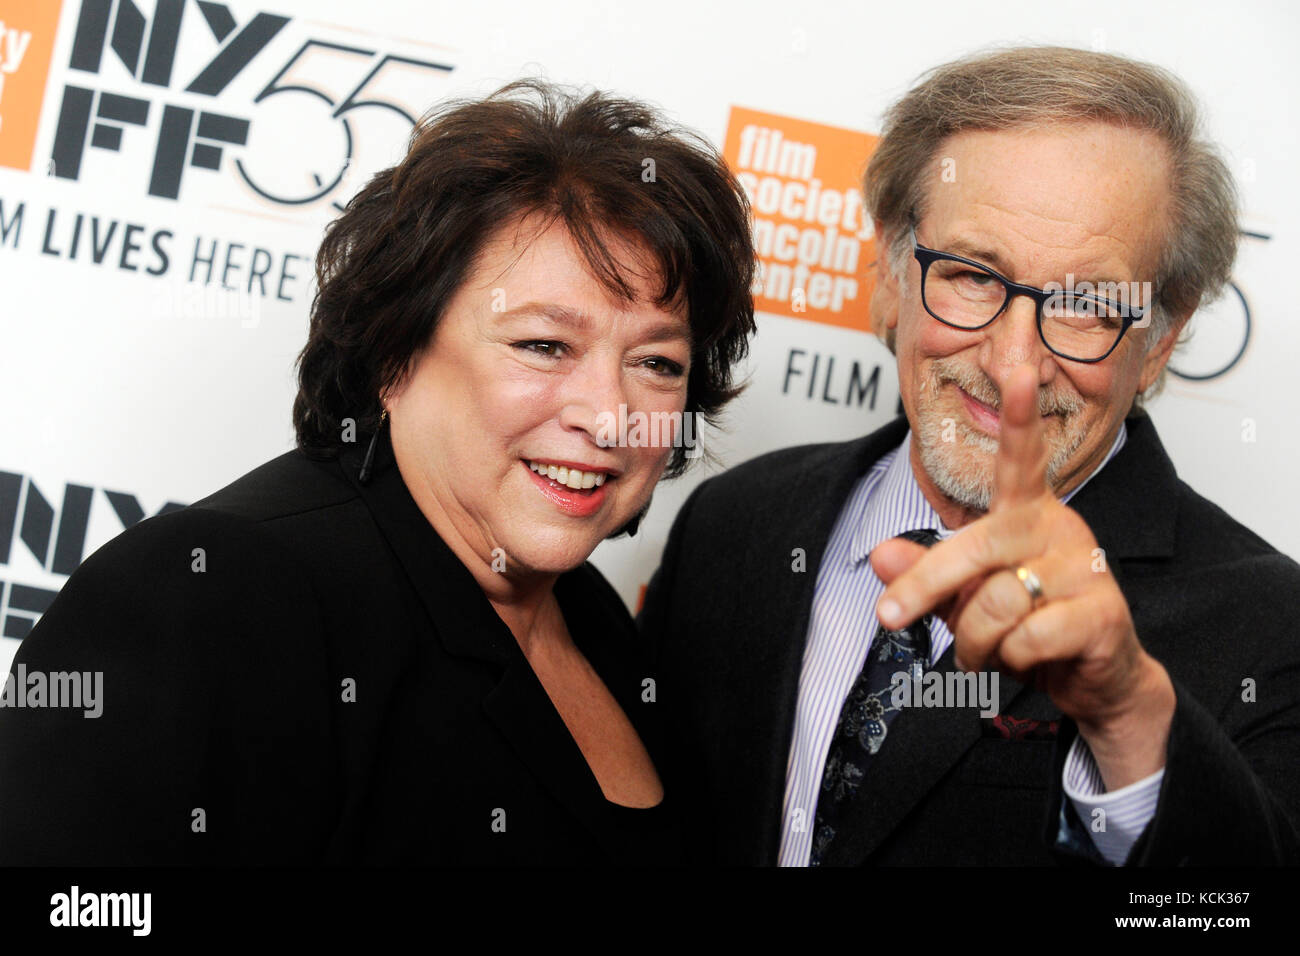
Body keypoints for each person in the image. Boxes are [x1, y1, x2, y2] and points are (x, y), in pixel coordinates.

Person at [0, 79, 756, 865]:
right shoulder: (218, 592)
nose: (610, 414)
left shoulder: (599, 625)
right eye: (542, 345)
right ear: (395, 356)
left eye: (657, 362)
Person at [640, 46, 1300, 866]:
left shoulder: (1272, 628)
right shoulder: (735, 523)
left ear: (1160, 341)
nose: (1014, 364)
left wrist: (1125, 712)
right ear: (887, 272)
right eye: (973, 275)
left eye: (1088, 304)